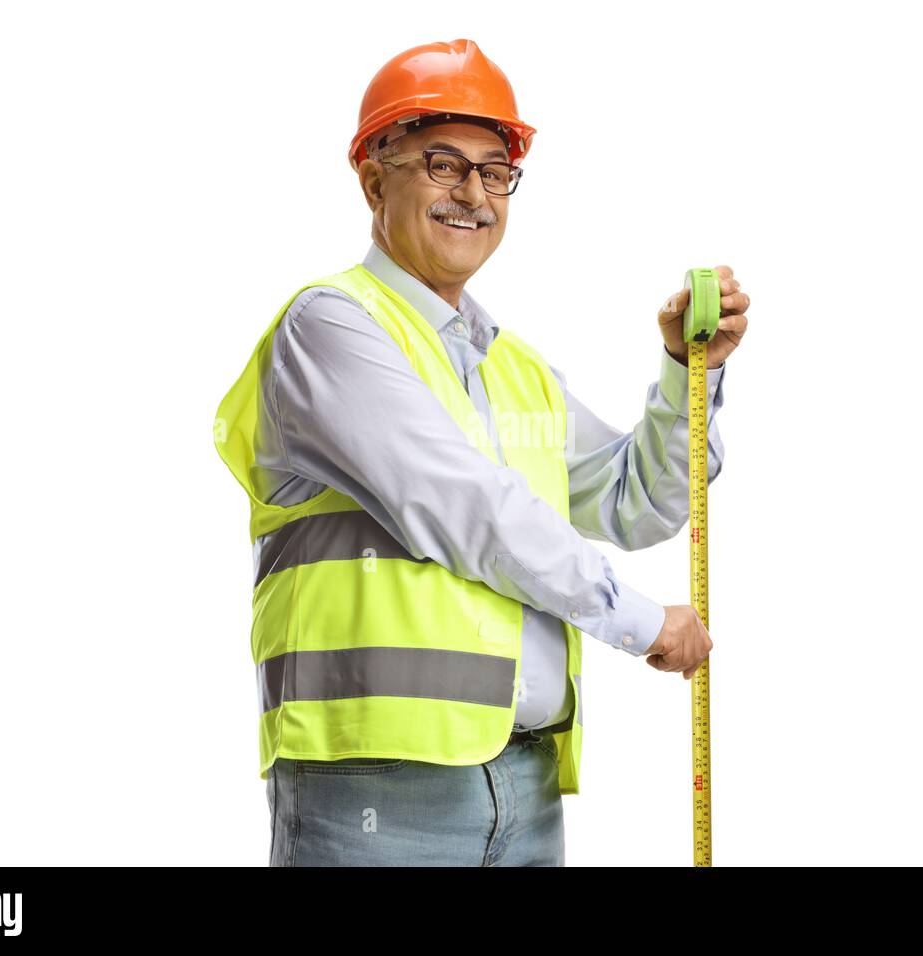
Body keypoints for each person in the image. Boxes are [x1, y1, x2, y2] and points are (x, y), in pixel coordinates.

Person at [213, 38, 752, 866]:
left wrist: (687, 376)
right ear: (372, 177)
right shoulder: (329, 330)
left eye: (495, 171)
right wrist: (642, 622)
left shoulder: (515, 370)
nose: (474, 194)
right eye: (441, 164)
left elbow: (637, 501)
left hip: (527, 787)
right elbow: (470, 511)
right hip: (372, 792)